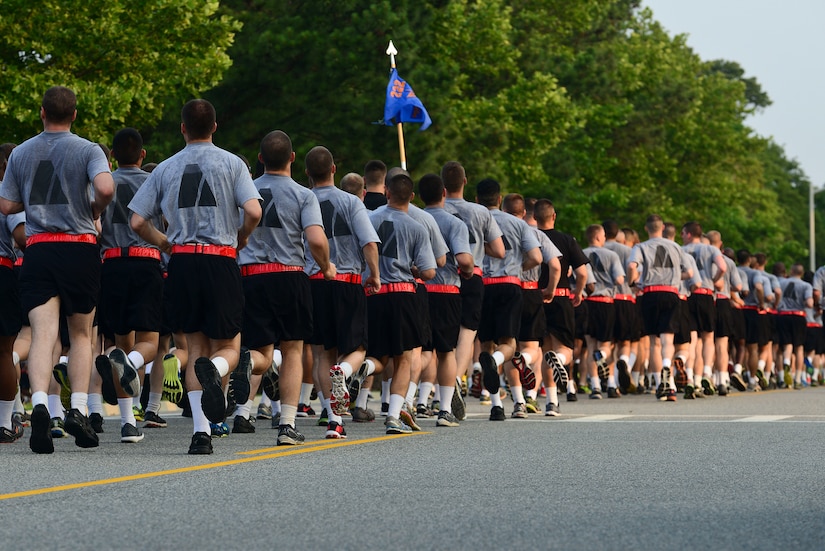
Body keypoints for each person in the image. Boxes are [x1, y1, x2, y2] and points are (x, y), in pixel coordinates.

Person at [129, 99, 262, 454]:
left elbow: (137, 221)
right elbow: (253, 209)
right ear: (215, 127)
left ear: (183, 128)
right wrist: (243, 236)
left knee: (196, 347)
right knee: (229, 347)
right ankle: (216, 368)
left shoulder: (165, 168)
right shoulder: (233, 163)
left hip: (183, 263)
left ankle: (200, 434)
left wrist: (164, 242)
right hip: (220, 259)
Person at [0, 86, 115, 453]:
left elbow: (6, 204)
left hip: (38, 251)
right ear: (75, 115)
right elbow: (106, 187)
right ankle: (78, 408)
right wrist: (94, 209)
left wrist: (30, 199)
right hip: (78, 249)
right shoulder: (87, 149)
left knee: (42, 334)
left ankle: (39, 405)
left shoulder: (20, 152)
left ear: (41, 112)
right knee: (81, 334)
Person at [301, 145, 378, 439]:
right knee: (356, 348)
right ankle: (343, 373)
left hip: (314, 282)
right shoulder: (351, 201)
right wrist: (374, 274)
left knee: (321, 353)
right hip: (346, 281)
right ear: (333, 169)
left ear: (307, 173)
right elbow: (368, 242)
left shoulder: (301, 199)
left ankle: (334, 419)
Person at [97, 127, 165, 443]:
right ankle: (132, 364)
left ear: (111, 155)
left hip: (111, 264)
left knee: (121, 343)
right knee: (148, 342)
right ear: (143, 155)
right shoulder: (154, 182)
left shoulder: (103, 183)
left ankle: (127, 422)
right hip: (146, 262)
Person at [366, 173, 437, 434]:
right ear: (412, 197)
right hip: (403, 293)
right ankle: (394, 416)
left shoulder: (369, 218)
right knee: (404, 358)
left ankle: (363, 369)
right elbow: (430, 272)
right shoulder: (417, 227)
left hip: (373, 292)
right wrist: (416, 269)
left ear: (386, 192)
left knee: (378, 354)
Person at [475, 179, 541, 420]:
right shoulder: (518, 223)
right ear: (499, 199)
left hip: (482, 285)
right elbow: (536, 257)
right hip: (509, 284)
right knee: (509, 343)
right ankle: (495, 361)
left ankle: (496, 405)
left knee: (486, 343)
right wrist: (518, 268)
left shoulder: (475, 220)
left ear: (477, 199)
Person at [441, 161, 504, 399]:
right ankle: (455, 380)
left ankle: (432, 392)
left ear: (442, 186)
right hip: (472, 275)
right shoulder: (481, 212)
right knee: (466, 334)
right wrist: (476, 246)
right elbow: (499, 250)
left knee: (441, 338)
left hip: (440, 278)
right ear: (464, 182)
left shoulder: (434, 212)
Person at [420, 173, 475, 426]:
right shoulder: (454, 223)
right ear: (444, 193)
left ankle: (410, 401)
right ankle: (444, 409)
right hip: (446, 292)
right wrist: (470, 270)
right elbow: (464, 259)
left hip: (418, 290)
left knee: (417, 351)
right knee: (446, 352)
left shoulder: (414, 217)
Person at [626, 214, 691, 402]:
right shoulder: (676, 247)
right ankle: (667, 371)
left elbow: (632, 265)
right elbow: (690, 272)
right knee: (668, 341)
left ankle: (661, 385)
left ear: (646, 228)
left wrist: (633, 282)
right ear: (662, 227)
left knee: (654, 342)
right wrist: (675, 278)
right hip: (671, 293)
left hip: (650, 293)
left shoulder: (641, 247)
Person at [533, 199, 589, 401]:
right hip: (562, 297)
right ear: (554, 216)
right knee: (565, 350)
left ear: (534, 217)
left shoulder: (529, 238)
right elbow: (582, 273)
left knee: (545, 349)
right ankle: (560, 359)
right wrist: (578, 293)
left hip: (536, 298)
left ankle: (551, 402)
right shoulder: (567, 240)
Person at [582, 224, 626, 399]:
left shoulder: (581, 254)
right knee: (607, 345)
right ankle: (611, 384)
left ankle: (595, 386)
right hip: (606, 302)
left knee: (590, 345)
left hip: (588, 302)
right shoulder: (611, 255)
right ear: (600, 237)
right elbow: (619, 279)